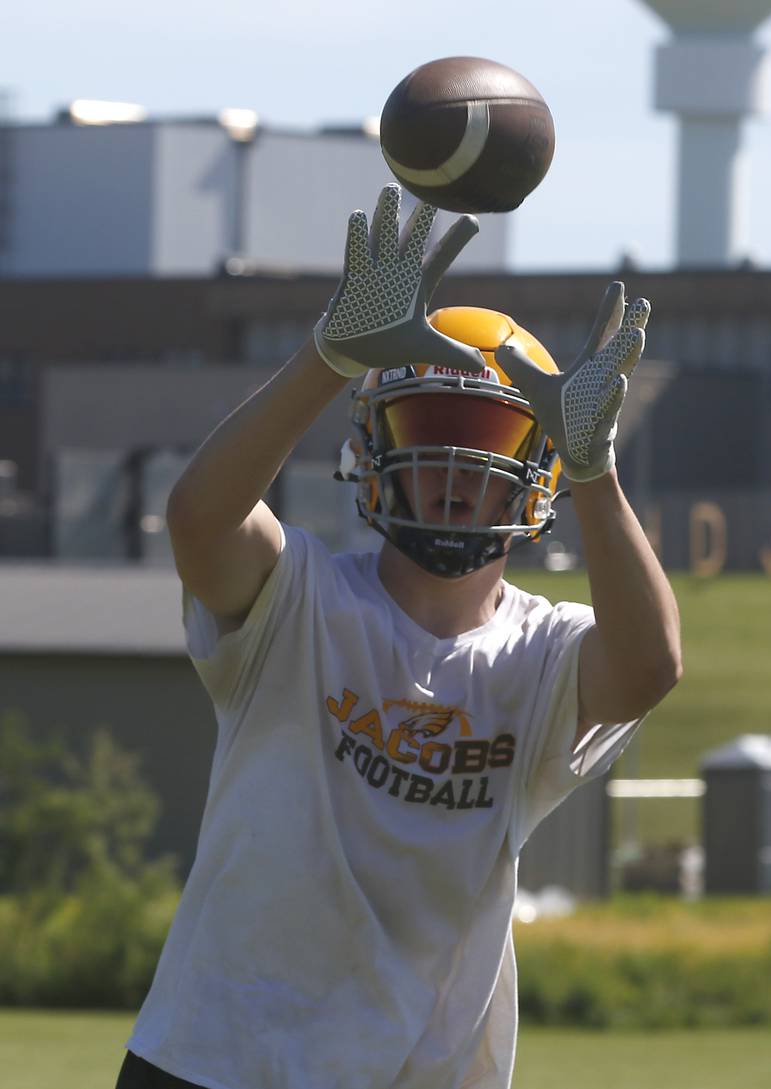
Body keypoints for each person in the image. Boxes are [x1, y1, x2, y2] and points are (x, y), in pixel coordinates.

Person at [116, 184, 682, 1089]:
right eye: (431, 431)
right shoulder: (297, 598)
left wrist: (599, 472)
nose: (455, 471)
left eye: (485, 441)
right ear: (374, 445)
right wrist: (328, 354)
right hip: (217, 1060)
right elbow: (200, 519)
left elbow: (651, 666)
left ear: (539, 475)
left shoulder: (542, 654)